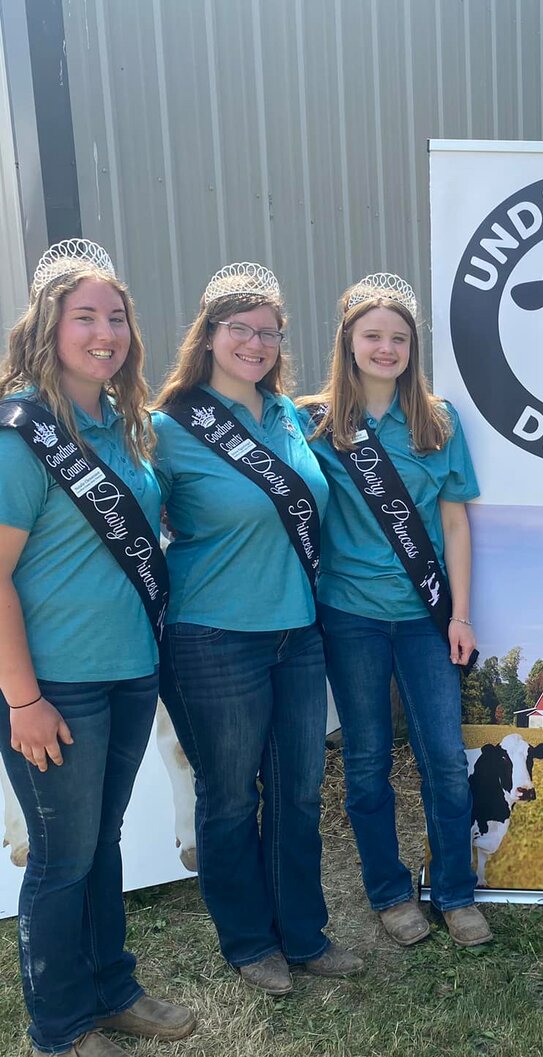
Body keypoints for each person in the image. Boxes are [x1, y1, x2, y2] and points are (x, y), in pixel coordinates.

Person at [0, 239, 193, 1057]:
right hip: (49, 685)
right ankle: (60, 1027)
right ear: (47, 326)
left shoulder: (119, 427)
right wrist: (22, 700)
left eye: (117, 317)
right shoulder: (15, 436)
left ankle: (112, 986)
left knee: (97, 844)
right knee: (62, 855)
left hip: (129, 670)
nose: (105, 333)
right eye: (84, 316)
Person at [152, 263, 360, 996]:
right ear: (207, 335)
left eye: (269, 331)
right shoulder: (169, 428)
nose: (255, 342)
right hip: (213, 636)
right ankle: (248, 941)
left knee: (301, 791)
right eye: (239, 328)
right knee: (231, 794)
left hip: (297, 632)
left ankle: (303, 933)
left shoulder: (289, 419)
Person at [298, 273, 488, 947]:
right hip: (349, 614)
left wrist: (460, 613)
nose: (385, 348)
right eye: (372, 335)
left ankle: (455, 889)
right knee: (368, 756)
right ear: (348, 341)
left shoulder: (438, 421)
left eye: (398, 338)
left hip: (425, 617)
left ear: (413, 348)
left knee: (442, 753)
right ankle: (386, 888)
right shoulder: (311, 422)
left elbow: (456, 523)